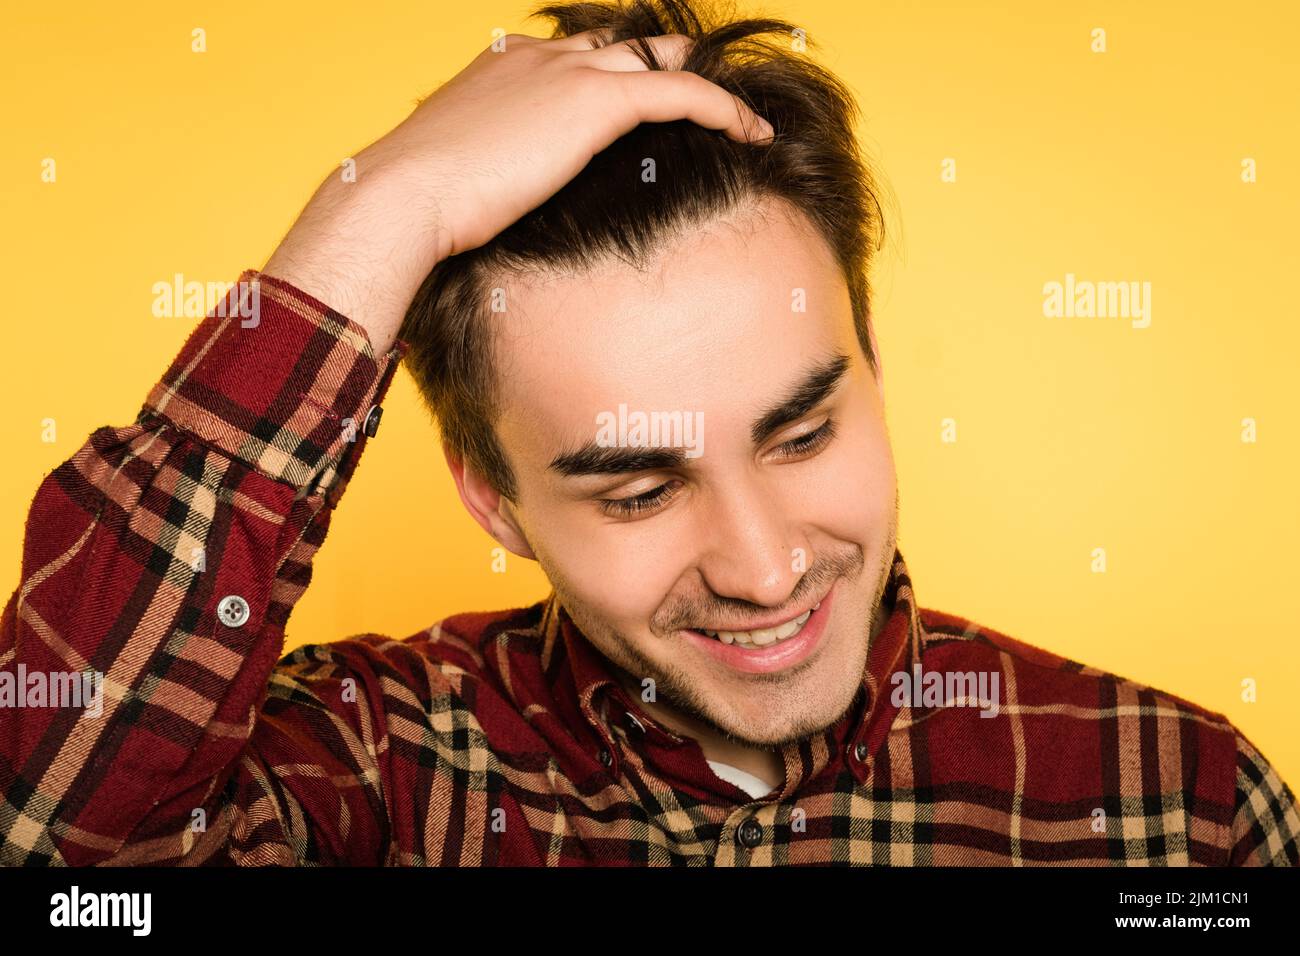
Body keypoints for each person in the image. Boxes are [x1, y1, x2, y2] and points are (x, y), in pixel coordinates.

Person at [2, 0, 1296, 866]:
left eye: (801, 433)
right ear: (494, 498)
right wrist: (387, 202)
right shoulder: (379, 775)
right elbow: (58, 843)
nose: (764, 566)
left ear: (872, 366)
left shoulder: (1175, 807)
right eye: (637, 490)